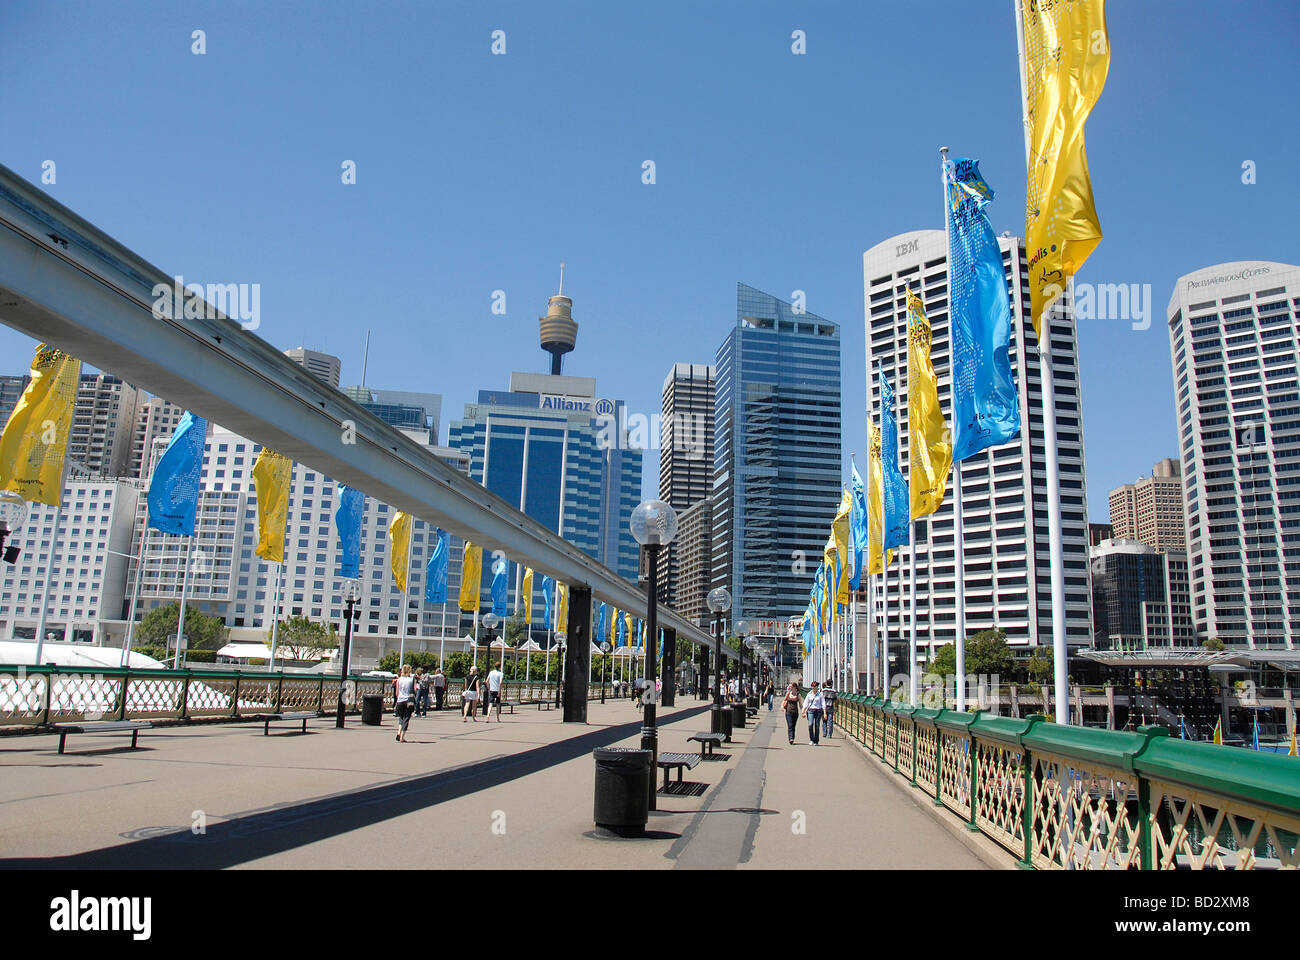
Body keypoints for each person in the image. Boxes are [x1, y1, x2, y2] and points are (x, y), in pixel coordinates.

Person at [394, 665, 415, 742]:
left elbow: (397, 693)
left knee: (401, 717)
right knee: (406, 718)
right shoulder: (411, 679)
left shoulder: (399, 680)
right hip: (408, 701)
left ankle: (398, 732)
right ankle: (402, 737)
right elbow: (414, 690)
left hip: (400, 700)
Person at [801, 680, 825, 746]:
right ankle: (811, 739)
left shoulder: (820, 694)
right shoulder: (809, 694)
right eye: (813, 687)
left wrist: (825, 713)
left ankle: (816, 740)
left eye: (815, 687)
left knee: (817, 725)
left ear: (817, 687)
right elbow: (806, 703)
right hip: (810, 710)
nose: (814, 688)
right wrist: (803, 711)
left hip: (818, 710)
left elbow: (823, 703)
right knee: (810, 724)